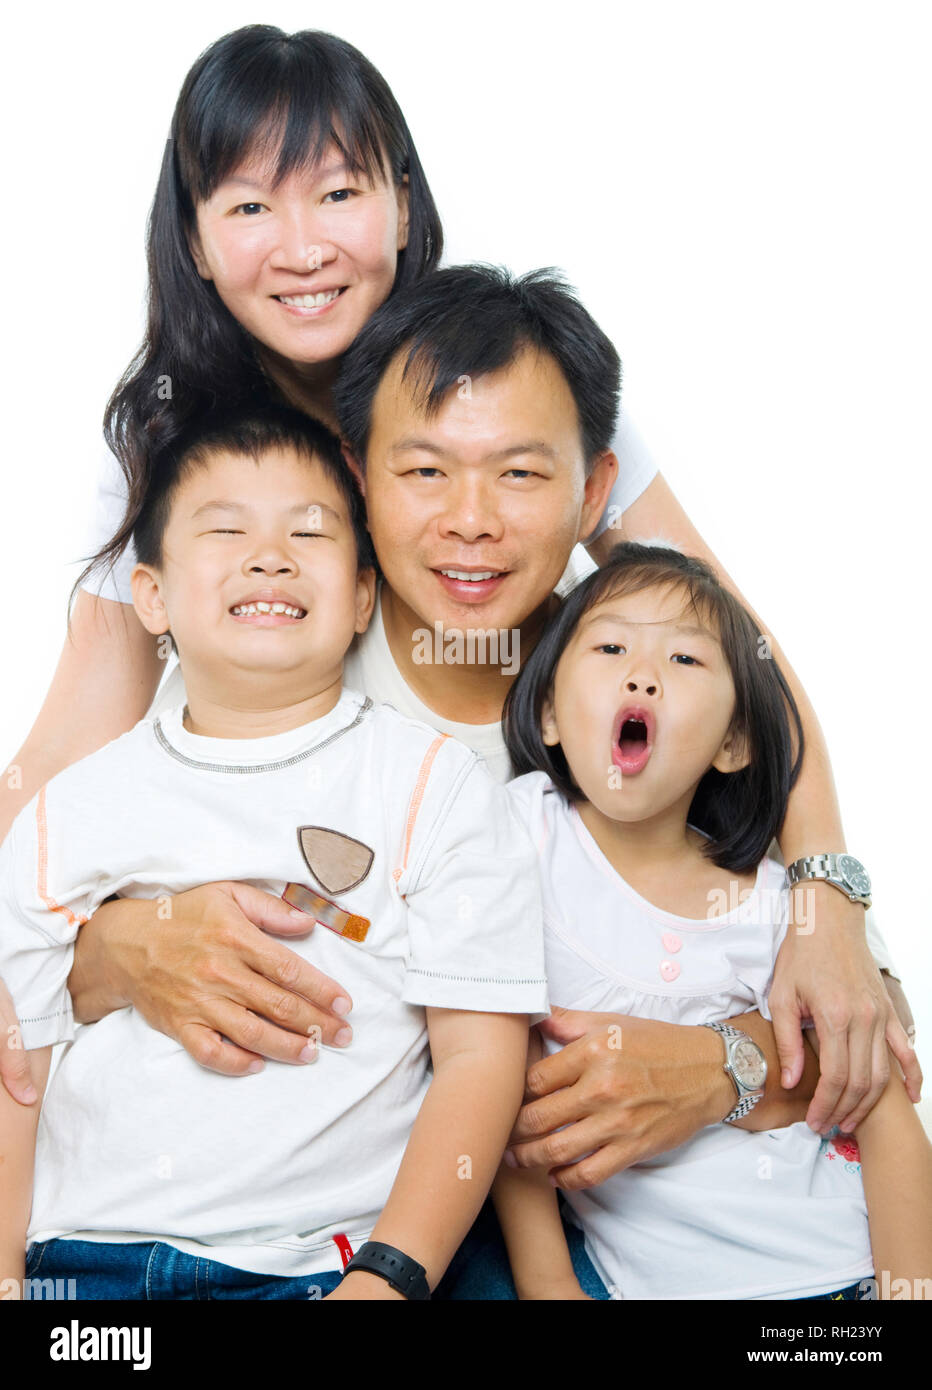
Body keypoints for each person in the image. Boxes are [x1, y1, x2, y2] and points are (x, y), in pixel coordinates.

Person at [0, 29, 917, 1160]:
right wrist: (94, 946)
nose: (300, 248)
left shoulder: (516, 372)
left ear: (399, 199)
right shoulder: (172, 441)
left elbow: (734, 658)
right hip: (318, 1079)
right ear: (189, 237)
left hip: (535, 1023)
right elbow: (60, 770)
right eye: (246, 207)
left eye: (336, 191)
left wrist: (826, 905)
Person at [0, 404, 549, 1301]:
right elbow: (16, 1071)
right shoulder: (69, 811)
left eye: (309, 530)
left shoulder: (432, 788)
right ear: (151, 596)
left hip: (322, 1267)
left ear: (364, 596)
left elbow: (482, 1059)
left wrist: (390, 1277)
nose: (270, 555)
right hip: (86, 1263)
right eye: (225, 530)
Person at [491, 543, 932, 1300]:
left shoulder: (769, 904)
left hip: (847, 1267)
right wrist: (548, 1283)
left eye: (686, 661)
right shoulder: (517, 837)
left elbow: (884, 1108)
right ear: (549, 713)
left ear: (734, 743)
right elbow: (507, 1096)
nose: (642, 673)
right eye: (610, 646)